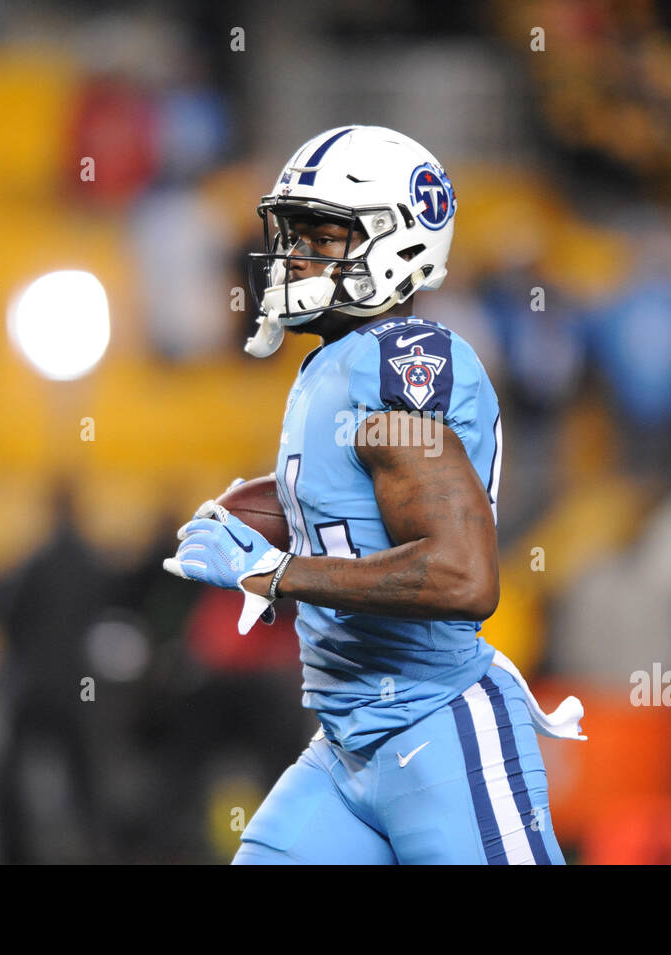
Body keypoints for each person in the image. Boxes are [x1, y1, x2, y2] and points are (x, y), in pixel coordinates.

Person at [164, 126, 585, 864]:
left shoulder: (397, 363)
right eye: (293, 235)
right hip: (347, 739)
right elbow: (349, 501)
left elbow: (463, 574)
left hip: (438, 730)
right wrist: (260, 510)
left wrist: (274, 573)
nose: (293, 257)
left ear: (396, 245)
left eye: (322, 238)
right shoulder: (337, 362)